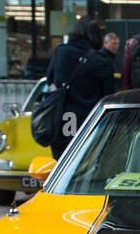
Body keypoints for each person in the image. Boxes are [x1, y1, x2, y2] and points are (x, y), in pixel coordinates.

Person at [45, 14, 105, 159]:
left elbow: (49, 81)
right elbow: (107, 96)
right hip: (88, 124)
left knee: (60, 165)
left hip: (60, 120)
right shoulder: (100, 61)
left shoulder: (60, 52)